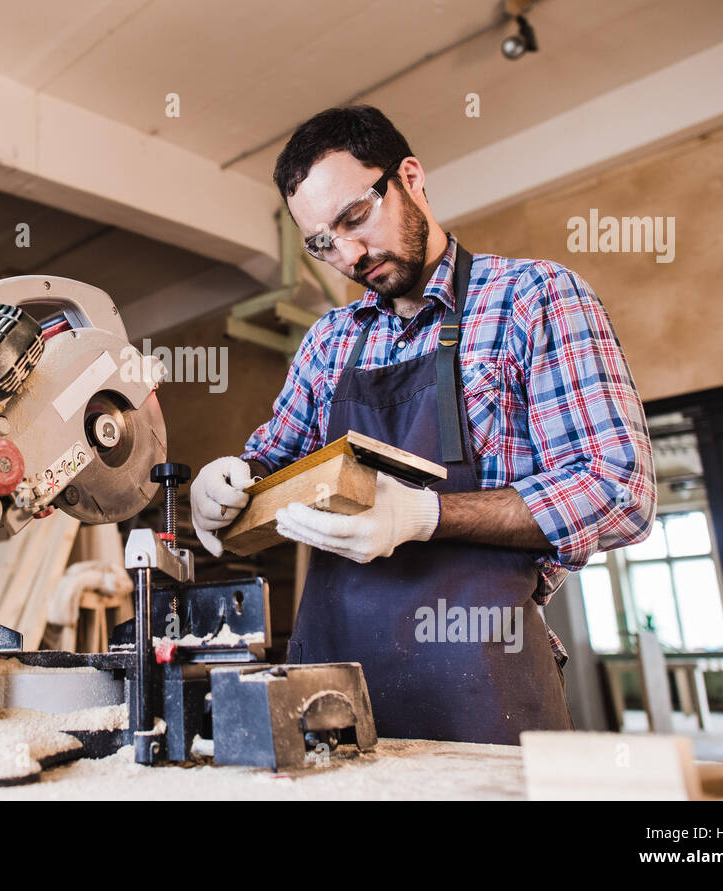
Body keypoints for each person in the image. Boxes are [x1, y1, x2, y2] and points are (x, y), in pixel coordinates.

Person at [190, 105, 656, 745]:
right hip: (332, 690)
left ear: (409, 177)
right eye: (323, 242)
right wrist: (226, 486)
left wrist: (425, 517)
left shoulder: (533, 298)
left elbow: (618, 491)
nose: (350, 253)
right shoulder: (330, 341)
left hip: (480, 679)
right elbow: (272, 463)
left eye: (356, 217)